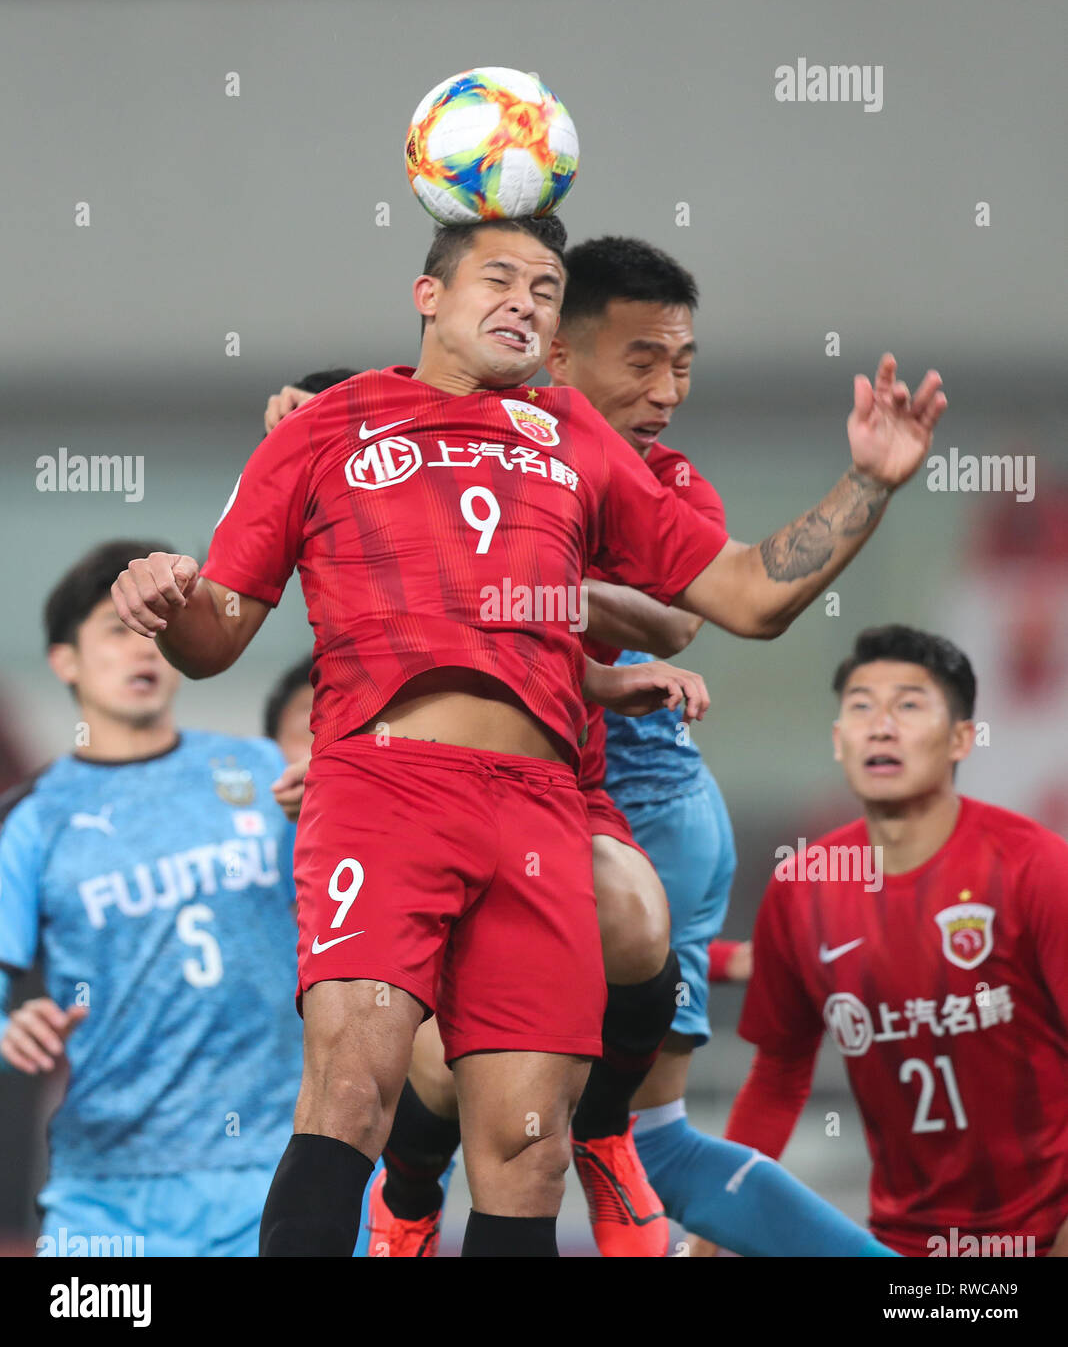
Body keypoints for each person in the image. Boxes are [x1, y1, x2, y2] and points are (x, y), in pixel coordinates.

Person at [113, 213, 944, 1258]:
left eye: (546, 288)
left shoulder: (573, 435)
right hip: (386, 788)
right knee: (353, 1090)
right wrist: (165, 593)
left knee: (525, 1150)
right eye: (498, 278)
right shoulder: (327, 425)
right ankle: (402, 1198)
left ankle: (552, 1156)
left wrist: (868, 482)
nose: (525, 299)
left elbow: (743, 594)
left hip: (545, 812)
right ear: (429, 295)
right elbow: (216, 635)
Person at [726, 625, 1068, 1257]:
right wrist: (718, 1222)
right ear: (839, 741)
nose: (880, 726)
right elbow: (778, 1076)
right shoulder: (803, 886)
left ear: (962, 737)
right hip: (901, 1252)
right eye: (860, 708)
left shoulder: (1038, 868)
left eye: (909, 705)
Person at [0, 541, 301, 1257]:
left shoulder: (265, 776)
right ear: (63, 661)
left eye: (153, 629)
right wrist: (9, 1028)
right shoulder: (33, 818)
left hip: (275, 1172)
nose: (141, 649)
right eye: (114, 629)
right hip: (107, 1195)